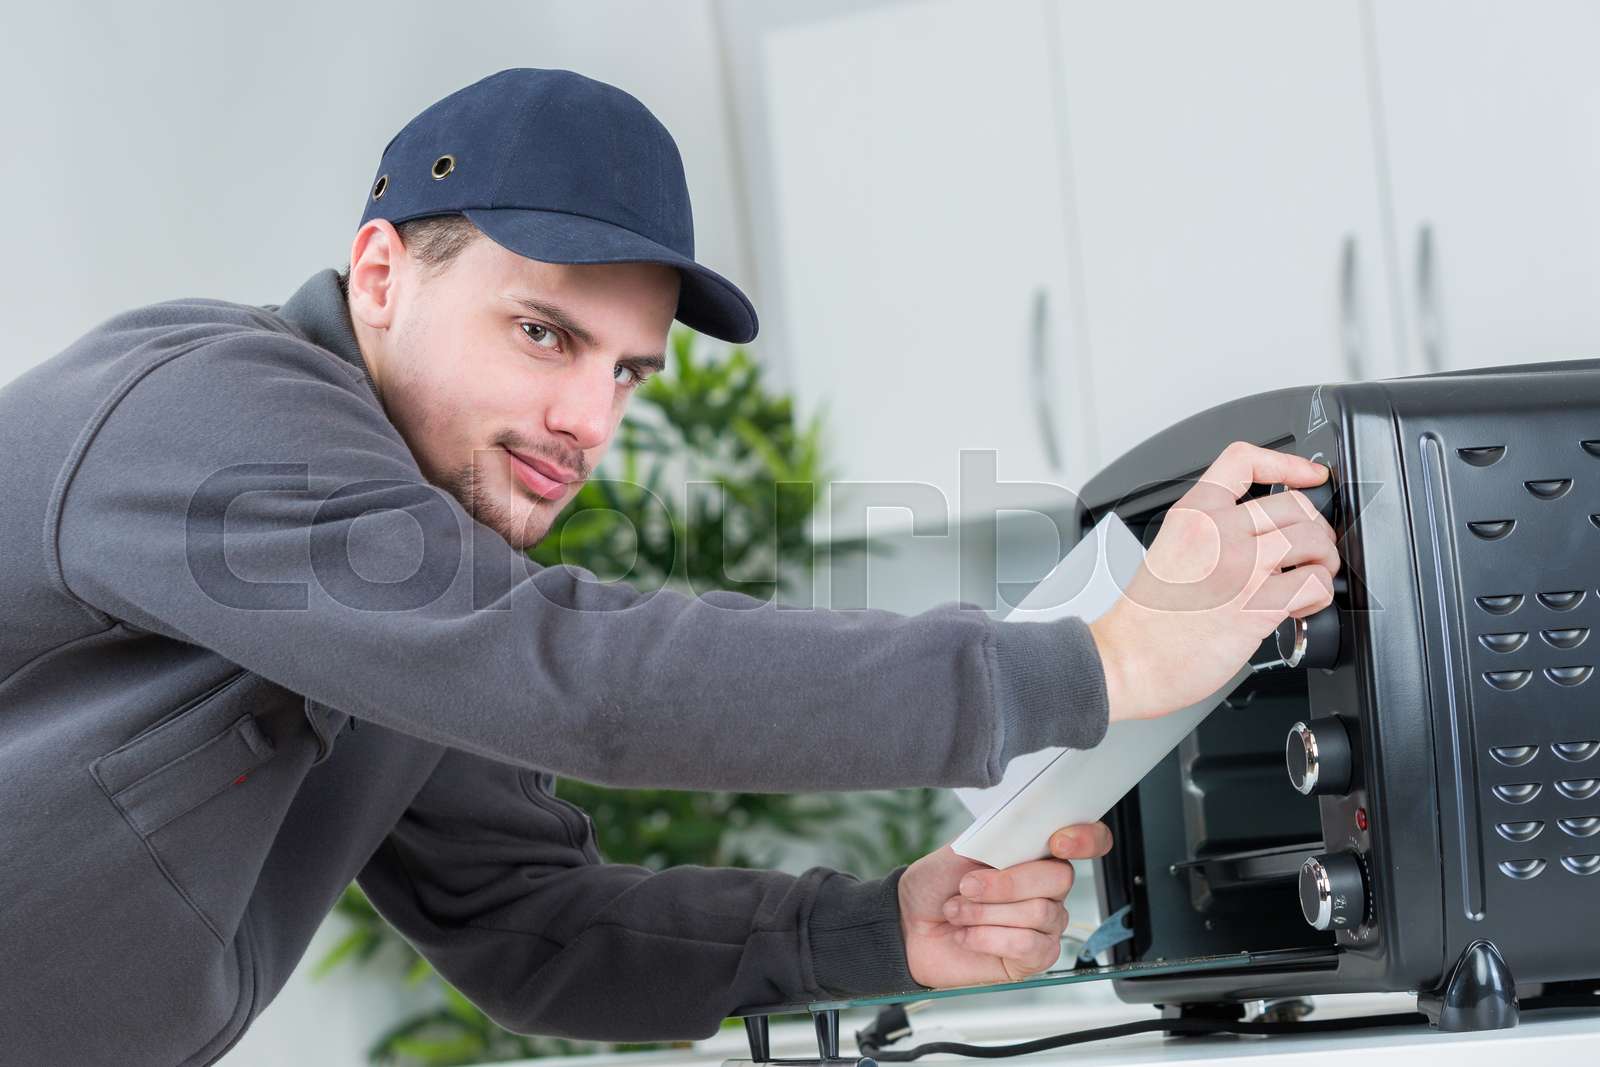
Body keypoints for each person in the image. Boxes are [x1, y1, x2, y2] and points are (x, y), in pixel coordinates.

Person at [0, 68, 1339, 1066]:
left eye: (627, 372)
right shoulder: (208, 410)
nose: (590, 423)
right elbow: (573, 672)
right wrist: (1095, 665)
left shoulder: (417, 563)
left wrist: (883, 930)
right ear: (381, 274)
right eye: (543, 333)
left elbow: (522, 922)